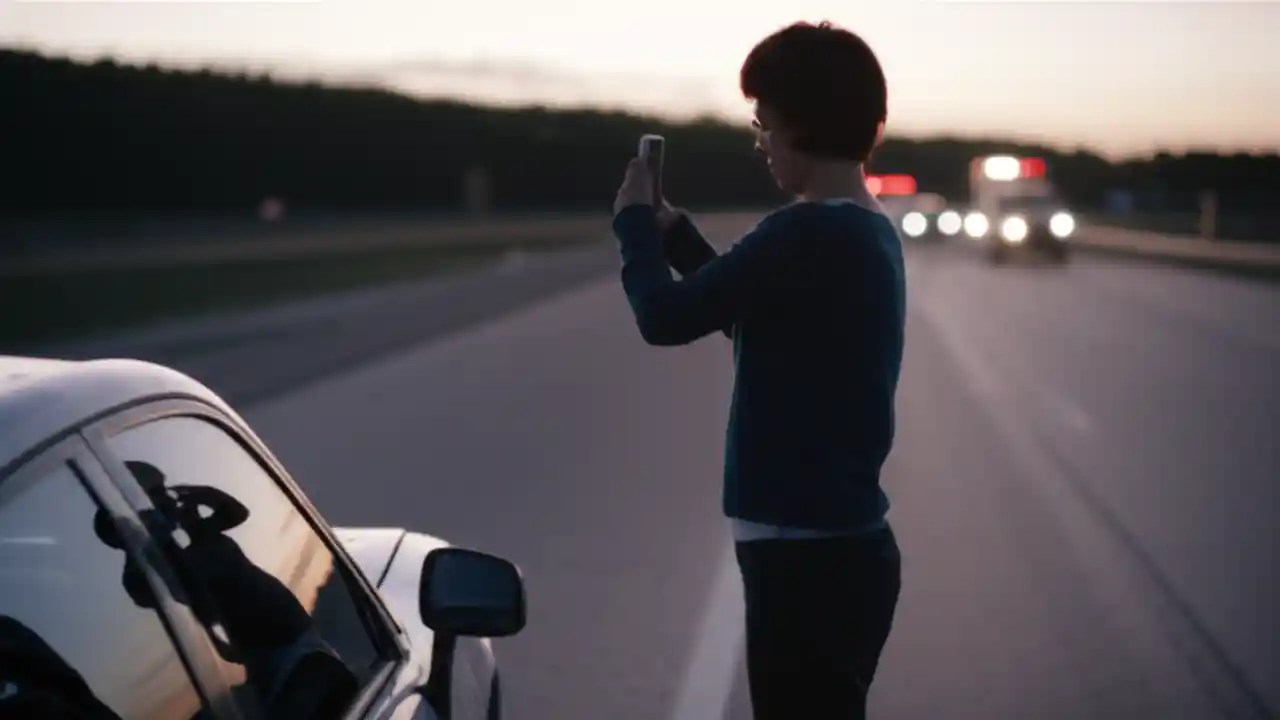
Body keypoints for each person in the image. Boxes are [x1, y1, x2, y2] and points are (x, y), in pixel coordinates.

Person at [611, 20, 905, 719]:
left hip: (801, 561)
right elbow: (750, 311)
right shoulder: (864, 227)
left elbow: (664, 318)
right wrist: (676, 236)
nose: (760, 143)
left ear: (800, 125)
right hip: (844, 551)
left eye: (764, 125)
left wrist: (633, 226)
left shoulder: (803, 231)